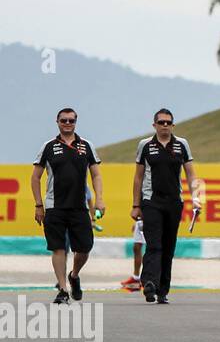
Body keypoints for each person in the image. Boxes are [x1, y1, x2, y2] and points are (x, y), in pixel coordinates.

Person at [31, 108, 104, 304]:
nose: (67, 123)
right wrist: (39, 205)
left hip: (80, 206)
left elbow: (96, 174)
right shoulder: (48, 146)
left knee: (85, 247)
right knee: (58, 248)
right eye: (64, 120)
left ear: (76, 122)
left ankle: (74, 275)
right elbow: (35, 177)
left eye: (71, 120)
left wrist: (99, 199)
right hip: (55, 206)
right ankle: (63, 289)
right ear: (57, 121)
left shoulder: (86, 146)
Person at [130, 108, 197, 305]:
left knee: (168, 246)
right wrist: (136, 204)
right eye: (161, 122)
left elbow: (191, 174)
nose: (165, 126)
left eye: (168, 122)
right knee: (154, 244)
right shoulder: (146, 145)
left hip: (174, 201)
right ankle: (149, 282)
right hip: (151, 201)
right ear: (154, 125)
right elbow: (138, 177)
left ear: (173, 125)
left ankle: (162, 290)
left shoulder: (182, 145)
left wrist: (196, 198)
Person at [120, 217, 145, 292]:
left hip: (151, 216)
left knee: (151, 249)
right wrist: (137, 221)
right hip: (141, 219)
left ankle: (149, 278)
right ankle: (136, 278)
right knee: (136, 247)